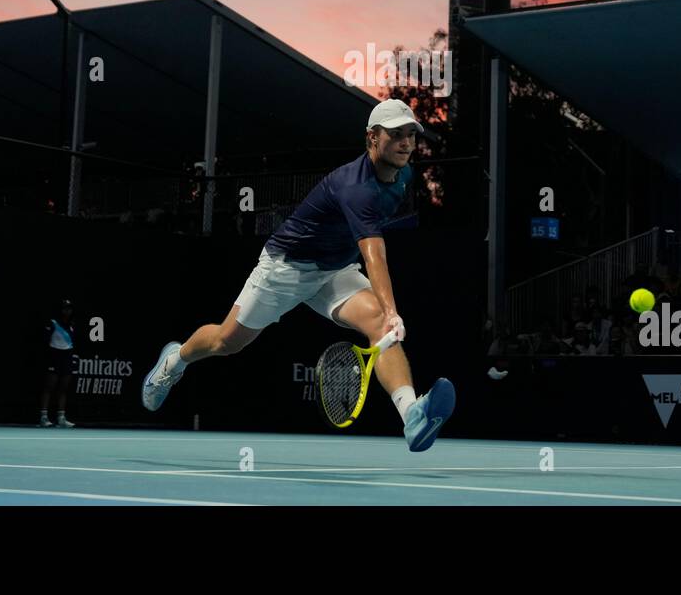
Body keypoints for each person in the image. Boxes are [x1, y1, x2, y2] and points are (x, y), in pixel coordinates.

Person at [140, 99, 455, 452]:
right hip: (286, 268)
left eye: (411, 134)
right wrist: (394, 307)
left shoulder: (404, 175)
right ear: (371, 137)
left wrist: (388, 314)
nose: (406, 143)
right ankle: (174, 361)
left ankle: (411, 416)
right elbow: (374, 254)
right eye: (395, 134)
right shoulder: (354, 188)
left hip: (334, 270)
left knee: (381, 326)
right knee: (226, 342)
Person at [39, 299, 78, 428]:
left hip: (67, 358)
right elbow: (45, 340)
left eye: (69, 308)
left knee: (63, 389)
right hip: (54, 357)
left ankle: (61, 418)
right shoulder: (53, 323)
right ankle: (44, 417)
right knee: (49, 387)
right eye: (65, 308)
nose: (67, 311)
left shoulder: (72, 324)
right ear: (61, 310)